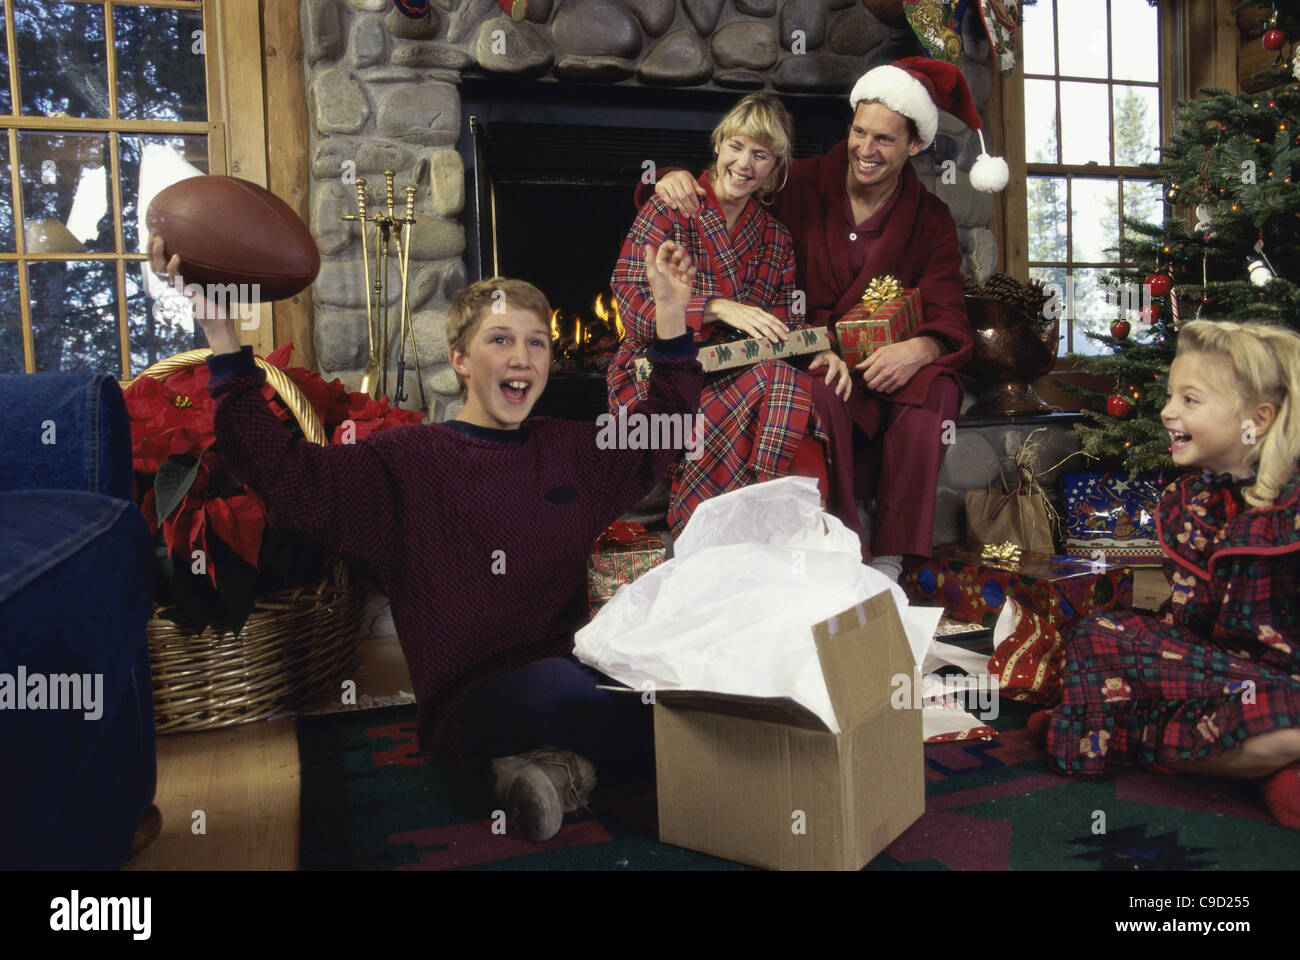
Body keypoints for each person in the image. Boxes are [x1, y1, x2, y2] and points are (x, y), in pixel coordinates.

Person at [149, 235, 704, 843]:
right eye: (501, 340)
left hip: (573, 668)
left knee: (662, 673)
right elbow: (287, 476)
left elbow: (666, 431)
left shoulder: (571, 449)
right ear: (460, 360)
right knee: (576, 694)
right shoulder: (401, 463)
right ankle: (664, 759)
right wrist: (224, 342)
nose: (523, 357)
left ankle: (555, 772)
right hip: (470, 706)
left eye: (537, 343)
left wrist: (672, 315)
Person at [644, 58, 1005, 580]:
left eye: (884, 139)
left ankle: (892, 554)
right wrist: (678, 182)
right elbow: (734, 184)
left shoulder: (930, 219)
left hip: (888, 363)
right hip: (808, 350)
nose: (866, 149)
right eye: (859, 131)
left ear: (915, 146)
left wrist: (919, 350)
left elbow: (949, 312)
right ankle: (845, 545)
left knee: (939, 392)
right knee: (816, 390)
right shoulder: (800, 181)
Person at [1034, 320, 1300, 828]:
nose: (1167, 411)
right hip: (1227, 677)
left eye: (1190, 400)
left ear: (1258, 419)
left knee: (1283, 715)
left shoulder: (1292, 509)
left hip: (1286, 685)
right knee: (1097, 632)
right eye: (1170, 395)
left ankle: (1125, 738)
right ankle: (1259, 759)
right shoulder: (1189, 500)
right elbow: (1186, 638)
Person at [610, 92, 857, 543]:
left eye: (760, 154)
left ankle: (745, 519)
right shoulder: (669, 208)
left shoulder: (776, 238)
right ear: (719, 145)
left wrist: (820, 352)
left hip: (741, 375)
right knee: (780, 384)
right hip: (664, 372)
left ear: (775, 169)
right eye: (737, 147)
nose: (744, 164)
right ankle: (754, 521)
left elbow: (781, 327)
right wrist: (713, 306)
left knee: (787, 380)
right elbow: (630, 307)